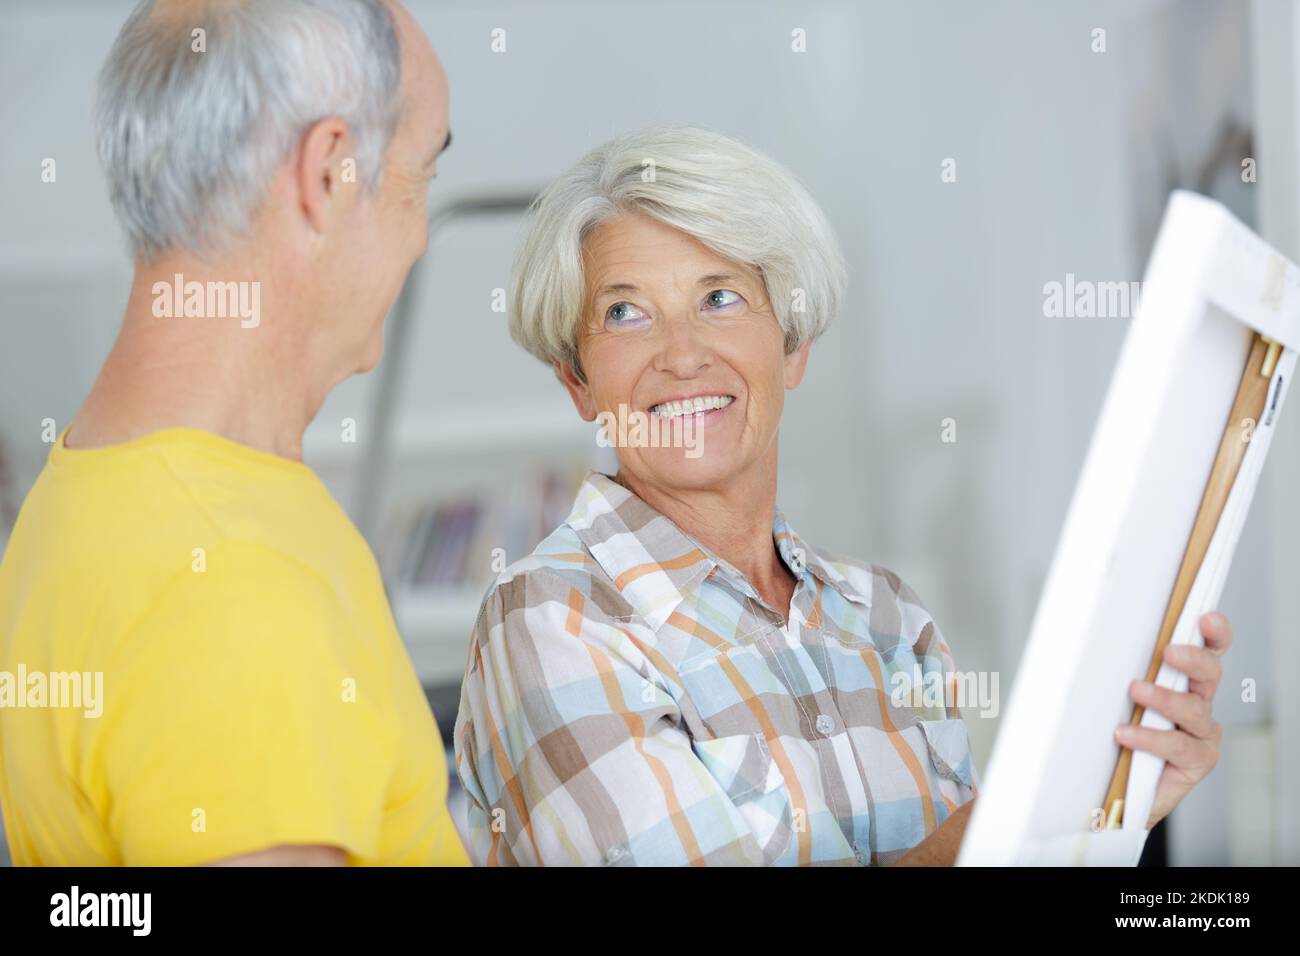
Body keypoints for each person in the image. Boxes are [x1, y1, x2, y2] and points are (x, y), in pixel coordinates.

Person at [453, 125, 1232, 866]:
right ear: (577, 381)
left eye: (720, 298)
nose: (682, 354)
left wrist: (1105, 789)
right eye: (625, 313)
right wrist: (1034, 810)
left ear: (793, 346)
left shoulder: (888, 618)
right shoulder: (551, 619)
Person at [0, 0, 467, 866]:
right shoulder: (234, 601)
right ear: (329, 174)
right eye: (419, 177)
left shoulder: (96, 478)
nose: (420, 236)